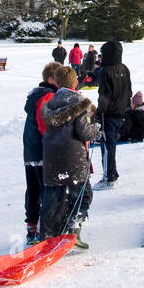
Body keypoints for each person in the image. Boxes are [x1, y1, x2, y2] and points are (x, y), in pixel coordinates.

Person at [39, 66, 99, 249]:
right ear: (75, 82)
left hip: (51, 155)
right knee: (82, 193)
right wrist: (95, 130)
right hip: (73, 156)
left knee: (53, 195)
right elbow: (83, 131)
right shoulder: (80, 102)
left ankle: (48, 234)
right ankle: (74, 232)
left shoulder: (50, 102)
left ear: (56, 83)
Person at [22, 61, 63, 245]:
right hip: (41, 150)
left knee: (34, 188)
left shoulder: (38, 95)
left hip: (31, 151)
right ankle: (41, 227)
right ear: (51, 79)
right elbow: (44, 123)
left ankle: (34, 225)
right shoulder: (47, 96)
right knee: (44, 189)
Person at [94, 38, 132, 189]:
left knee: (107, 145)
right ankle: (111, 174)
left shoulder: (106, 71)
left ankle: (108, 177)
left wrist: (99, 113)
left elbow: (104, 95)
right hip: (121, 111)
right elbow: (129, 90)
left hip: (109, 113)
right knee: (111, 144)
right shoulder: (124, 68)